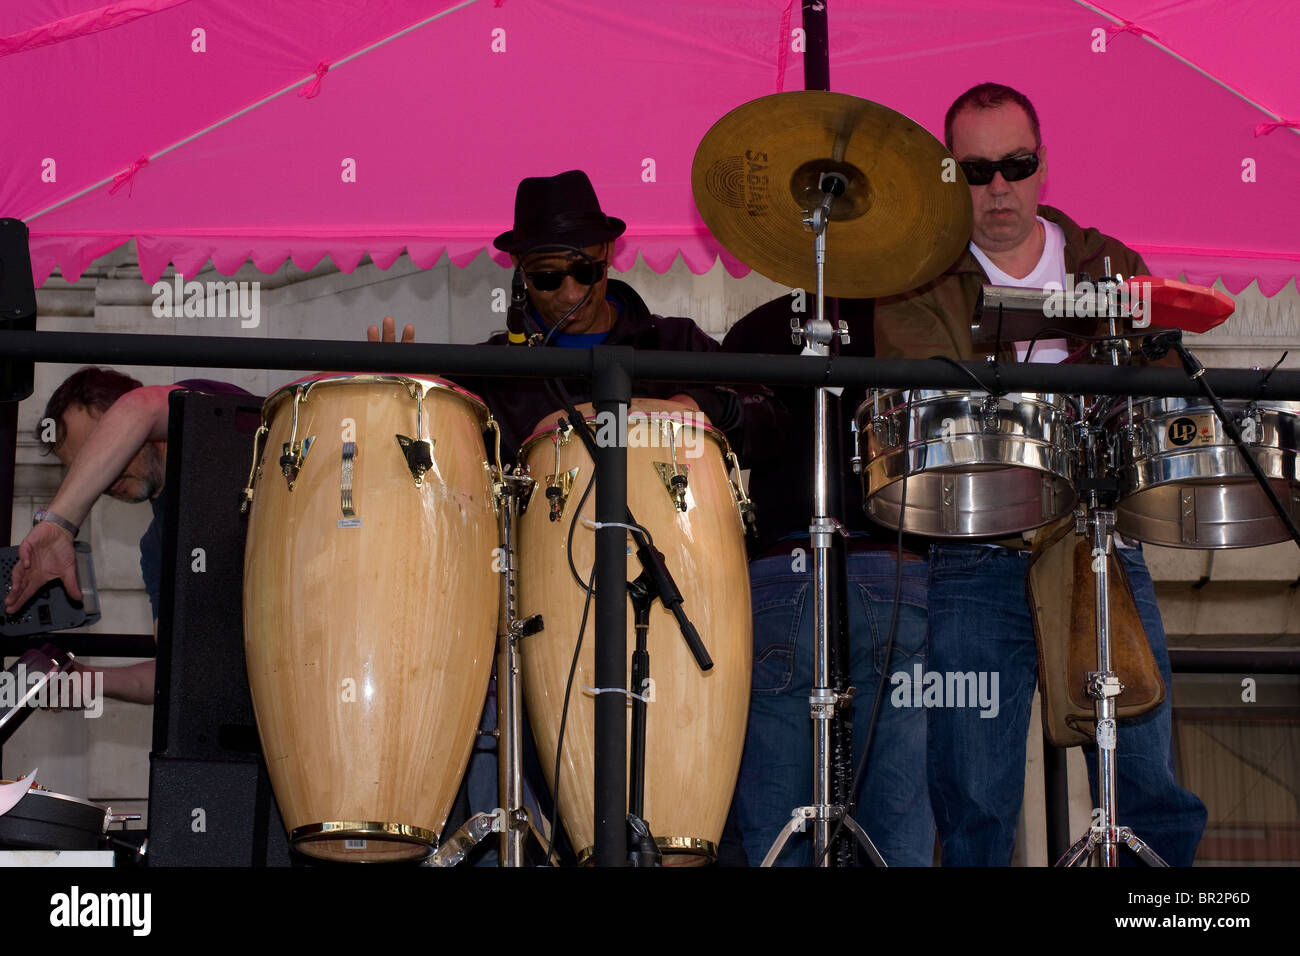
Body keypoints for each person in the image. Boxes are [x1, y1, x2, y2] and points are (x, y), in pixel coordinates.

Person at [873, 82, 1207, 865]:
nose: (998, 188)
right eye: (976, 169)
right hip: (977, 549)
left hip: (1102, 544)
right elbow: (926, 389)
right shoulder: (914, 278)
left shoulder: (1111, 263)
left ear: (1042, 167)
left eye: (1015, 165)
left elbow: (1161, 387)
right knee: (974, 801)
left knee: (1148, 788)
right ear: (950, 176)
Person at [723, 295, 934, 866]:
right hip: (889, 556)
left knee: (775, 783)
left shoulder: (754, 327)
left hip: (782, 565)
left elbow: (726, 445)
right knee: (898, 791)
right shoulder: (907, 321)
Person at [6, 368, 250, 703]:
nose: (101, 480)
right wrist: (85, 682)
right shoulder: (154, 549)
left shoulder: (200, 414)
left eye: (100, 453)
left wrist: (58, 524)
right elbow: (181, 672)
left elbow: (140, 408)